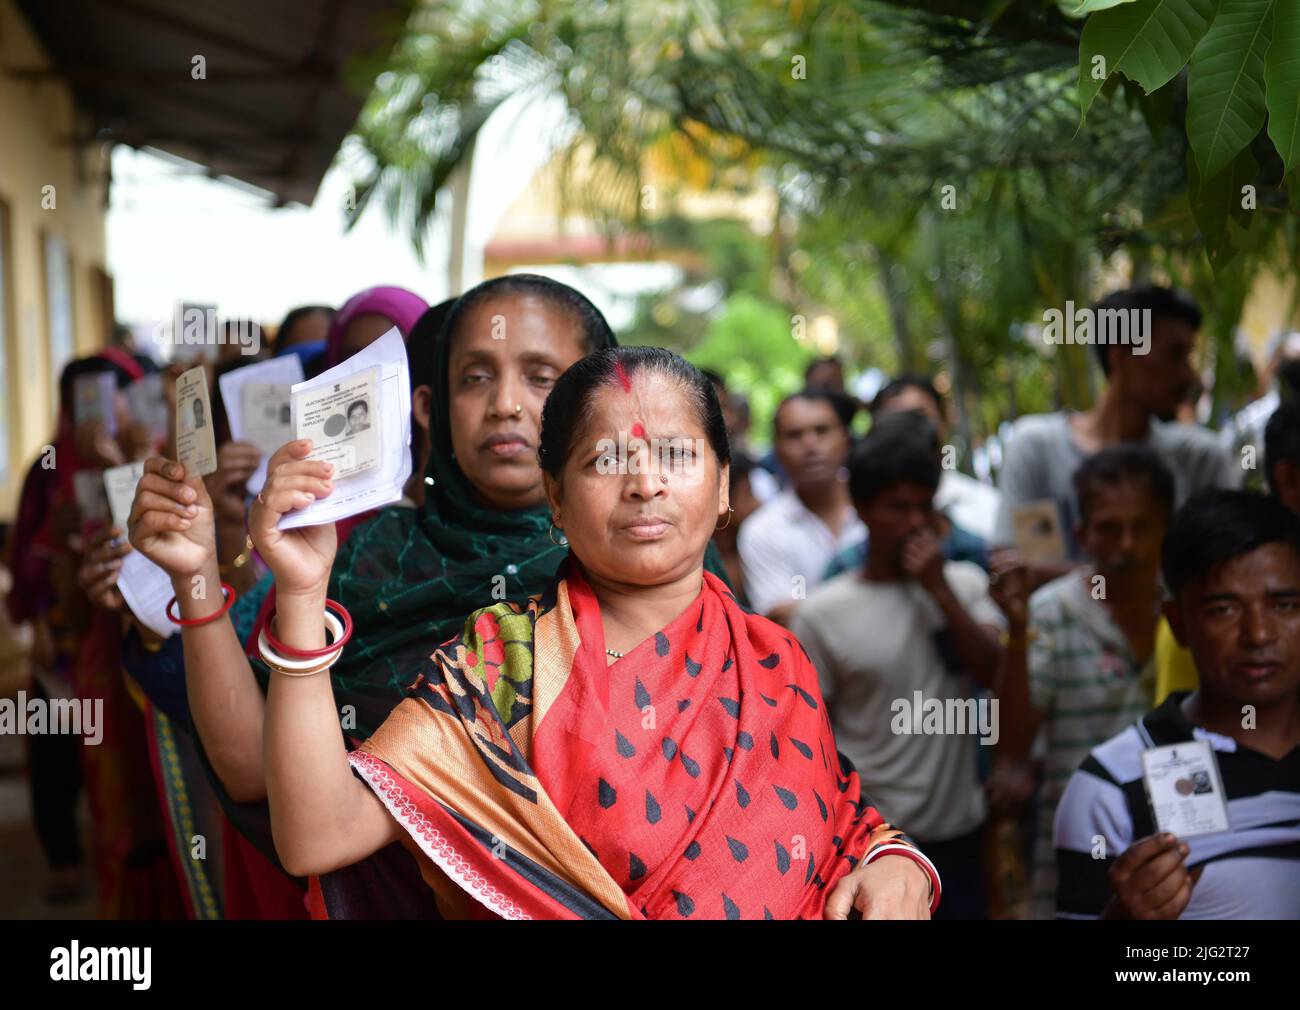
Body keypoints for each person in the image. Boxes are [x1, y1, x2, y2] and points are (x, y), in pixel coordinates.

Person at [252, 345, 941, 919]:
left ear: (725, 485)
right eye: (604, 460)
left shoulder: (774, 659)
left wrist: (897, 860)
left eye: (676, 454)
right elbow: (319, 835)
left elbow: (845, 822)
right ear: (555, 496)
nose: (644, 483)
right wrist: (303, 592)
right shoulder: (503, 664)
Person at [792, 413, 1004, 918]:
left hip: (963, 835)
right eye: (896, 507)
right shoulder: (822, 614)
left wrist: (940, 590)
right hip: (878, 844)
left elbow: (995, 672)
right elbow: (807, 739)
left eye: (922, 507)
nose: (913, 522)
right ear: (862, 509)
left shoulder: (966, 585)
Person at [1054, 490, 1300, 919]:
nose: (1259, 634)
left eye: (1284, 605)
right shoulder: (1109, 787)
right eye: (1223, 609)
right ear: (1178, 622)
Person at [993, 444, 1176, 919]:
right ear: (1083, 534)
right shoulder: (1051, 613)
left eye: (1142, 527)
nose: (1128, 546)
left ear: (1167, 529)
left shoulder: (1192, 612)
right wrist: (1016, 633)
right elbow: (1013, 741)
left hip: (1179, 844)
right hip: (1078, 847)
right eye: (1110, 529)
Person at [992, 285, 1238, 584]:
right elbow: (1020, 572)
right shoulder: (1038, 449)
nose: (1189, 375)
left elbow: (1228, 569)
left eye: (1189, 356)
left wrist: (1080, 577)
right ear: (1121, 355)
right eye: (1173, 355)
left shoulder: (1200, 458)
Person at [739, 390, 865, 625]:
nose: (810, 444)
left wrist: (809, 608)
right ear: (777, 450)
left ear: (846, 440)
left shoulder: (882, 507)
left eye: (822, 430)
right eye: (795, 435)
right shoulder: (762, 531)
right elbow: (780, 619)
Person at [872, 374, 1000, 542]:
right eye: (895, 419)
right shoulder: (859, 520)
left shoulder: (989, 507)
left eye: (919, 415)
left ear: (944, 424)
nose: (909, 429)